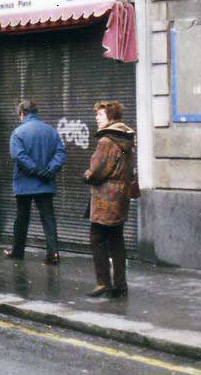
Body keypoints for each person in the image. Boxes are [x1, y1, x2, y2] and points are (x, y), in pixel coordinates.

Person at [84, 101, 135, 298]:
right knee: (116, 240)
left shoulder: (107, 141)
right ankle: (121, 286)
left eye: (100, 115)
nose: (96, 118)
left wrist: (87, 175)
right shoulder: (126, 139)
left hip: (106, 197)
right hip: (121, 196)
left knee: (96, 238)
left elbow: (98, 170)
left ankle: (103, 282)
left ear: (111, 118)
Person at [4, 100, 66, 265]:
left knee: (22, 218)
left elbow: (18, 156)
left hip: (25, 183)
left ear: (22, 114)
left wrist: (35, 170)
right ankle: (53, 254)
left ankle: (17, 252)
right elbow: (60, 154)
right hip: (45, 183)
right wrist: (49, 170)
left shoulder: (18, 133)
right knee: (48, 219)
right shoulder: (51, 131)